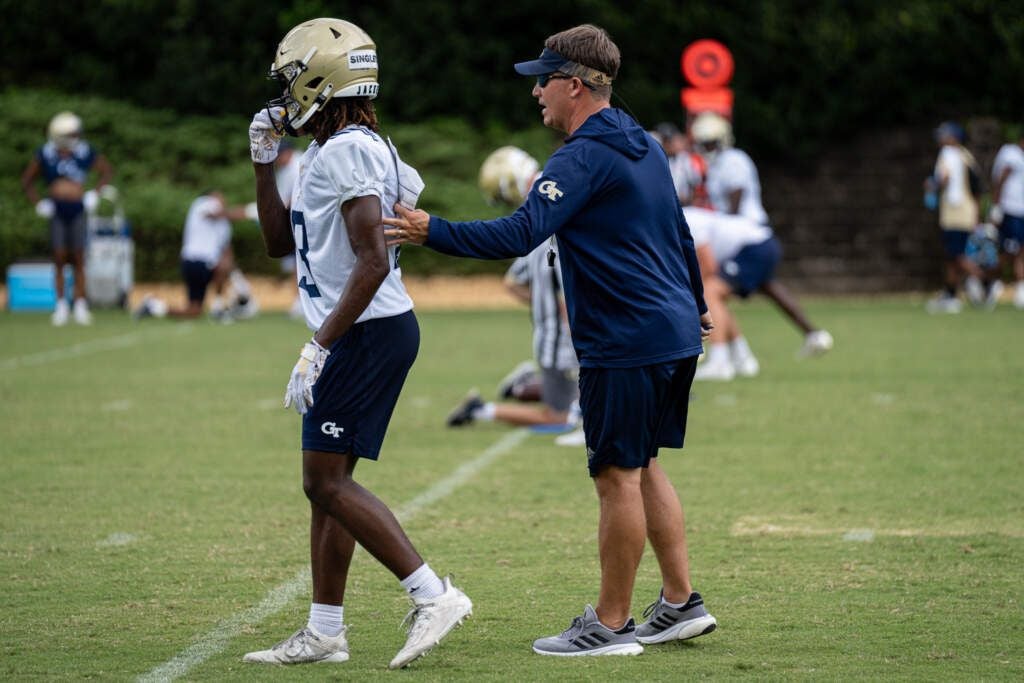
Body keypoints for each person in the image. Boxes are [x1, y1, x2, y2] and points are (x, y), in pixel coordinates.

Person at [385, 24, 717, 657]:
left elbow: (519, 233)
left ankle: (611, 624)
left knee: (617, 476)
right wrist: (696, 306)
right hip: (671, 332)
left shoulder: (582, 156)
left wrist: (434, 232)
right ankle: (679, 604)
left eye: (543, 80)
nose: (536, 92)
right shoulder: (645, 143)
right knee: (644, 466)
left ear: (574, 85)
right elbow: (679, 234)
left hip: (628, 339)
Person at [240, 18, 471, 669]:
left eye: (292, 79)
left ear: (320, 79)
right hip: (368, 326)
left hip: (364, 329)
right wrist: (263, 163)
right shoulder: (345, 147)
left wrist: (319, 344)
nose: (284, 94)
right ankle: (324, 630)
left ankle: (433, 594)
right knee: (329, 481)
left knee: (324, 482)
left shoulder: (346, 152)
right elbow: (281, 243)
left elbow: (372, 259)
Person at [447, 146, 580, 430]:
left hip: (553, 334)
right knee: (566, 415)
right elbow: (567, 281)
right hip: (562, 337)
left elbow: (514, 281)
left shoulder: (539, 214)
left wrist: (549, 307)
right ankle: (486, 409)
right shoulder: (555, 206)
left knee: (585, 397)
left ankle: (520, 388)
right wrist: (562, 312)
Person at [684, 205, 833, 375]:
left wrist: (693, 298)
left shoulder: (687, 220)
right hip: (764, 242)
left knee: (710, 292)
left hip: (754, 247)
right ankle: (743, 359)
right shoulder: (686, 217)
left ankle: (719, 362)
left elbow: (708, 266)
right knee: (716, 298)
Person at [21, 111, 113, 326]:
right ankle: (61, 305)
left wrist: (94, 194)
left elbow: (106, 171)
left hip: (78, 208)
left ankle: (80, 305)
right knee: (60, 257)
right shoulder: (46, 153)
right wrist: (39, 203)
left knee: (80, 257)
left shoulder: (84, 151)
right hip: (57, 209)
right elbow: (27, 180)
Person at [134, 190, 255, 320]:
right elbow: (215, 214)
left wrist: (238, 281)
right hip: (196, 261)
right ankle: (219, 308)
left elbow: (227, 253)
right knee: (223, 267)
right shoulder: (203, 203)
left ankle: (154, 306)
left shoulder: (224, 225)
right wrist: (250, 212)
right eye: (219, 196)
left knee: (194, 311)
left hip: (207, 265)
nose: (222, 199)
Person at [925, 121, 987, 313]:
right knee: (952, 258)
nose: (940, 139)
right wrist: (976, 214)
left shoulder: (948, 155)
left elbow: (944, 178)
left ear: (953, 138)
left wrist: (931, 187)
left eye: (944, 135)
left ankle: (987, 281)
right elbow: (977, 189)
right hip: (966, 213)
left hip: (955, 214)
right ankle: (951, 295)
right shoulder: (966, 156)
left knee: (955, 255)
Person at [690, 112, 768, 225]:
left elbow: (736, 192)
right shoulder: (715, 164)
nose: (705, 148)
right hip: (734, 226)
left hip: (748, 225)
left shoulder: (733, 159)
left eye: (709, 143)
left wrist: (728, 227)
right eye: (703, 144)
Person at [991, 129, 1024, 308]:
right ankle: (991, 283)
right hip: (1010, 209)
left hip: (1021, 211)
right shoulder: (1011, 153)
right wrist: (996, 207)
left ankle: (1020, 290)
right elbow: (1000, 179)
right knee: (1007, 251)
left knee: (1019, 251)